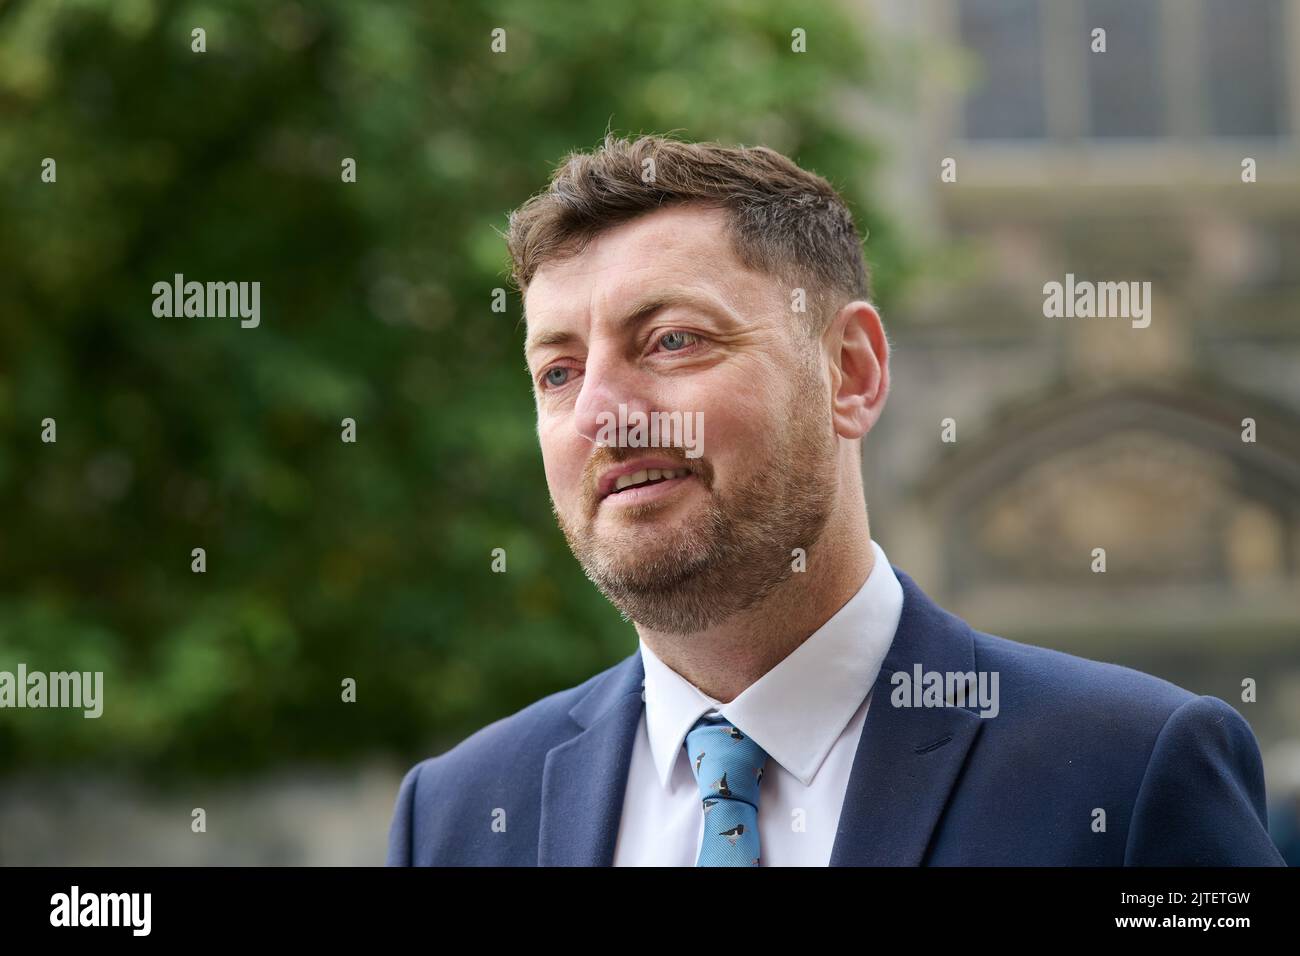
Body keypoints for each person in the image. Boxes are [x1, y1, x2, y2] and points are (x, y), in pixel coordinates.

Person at [386, 134, 1285, 866]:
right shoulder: (457, 819)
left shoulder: (1129, 775)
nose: (600, 415)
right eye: (558, 371)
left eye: (670, 340)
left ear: (849, 372)